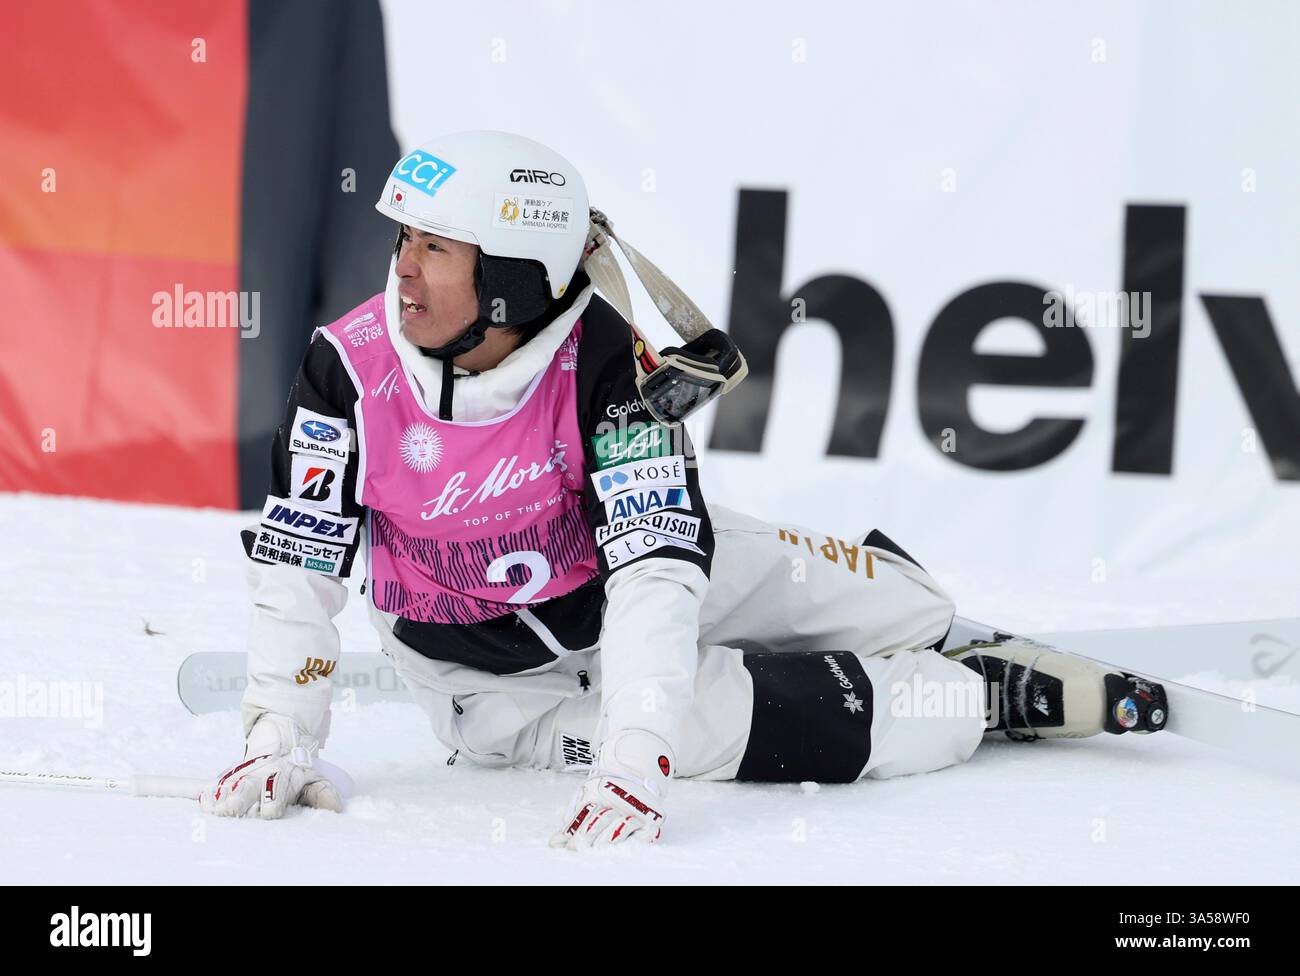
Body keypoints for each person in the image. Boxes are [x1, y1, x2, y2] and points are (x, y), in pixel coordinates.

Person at [199, 131, 1167, 847]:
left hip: (636, 587)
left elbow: (657, 565)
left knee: (914, 602)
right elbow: (299, 564)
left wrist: (637, 745)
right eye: (403, 239)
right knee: (918, 723)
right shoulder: (346, 365)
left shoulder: (604, 362)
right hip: (494, 691)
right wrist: (279, 733)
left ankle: (919, 629)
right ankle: (981, 694)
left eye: (434, 248)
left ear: (509, 273)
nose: (402, 270)